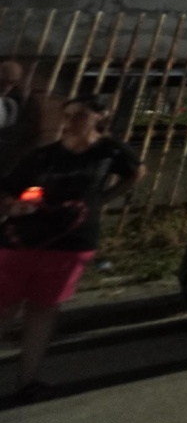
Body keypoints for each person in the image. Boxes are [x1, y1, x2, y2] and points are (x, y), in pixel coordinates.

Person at [1, 95, 143, 404]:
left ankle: (27, 382)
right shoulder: (43, 157)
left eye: (79, 115)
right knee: (4, 309)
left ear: (99, 116)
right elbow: (8, 189)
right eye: (67, 116)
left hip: (70, 245)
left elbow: (136, 171)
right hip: (20, 242)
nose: (70, 122)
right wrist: (14, 206)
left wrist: (102, 200)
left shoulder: (109, 152)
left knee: (43, 312)